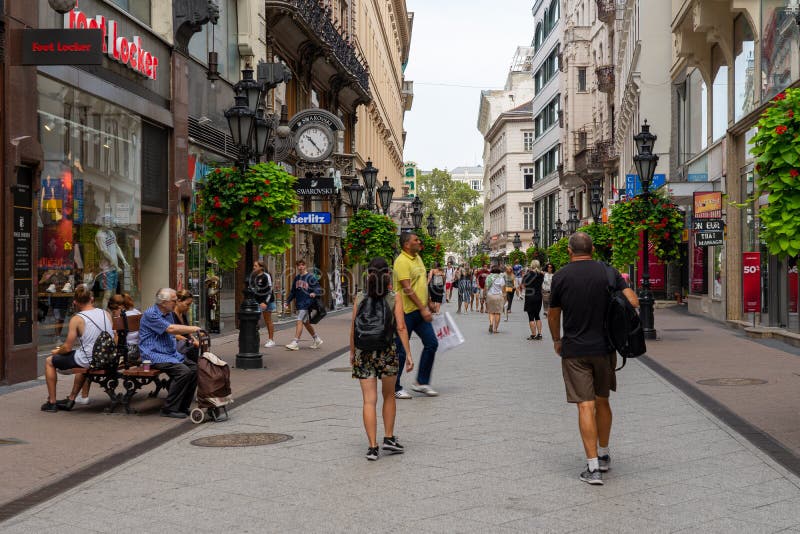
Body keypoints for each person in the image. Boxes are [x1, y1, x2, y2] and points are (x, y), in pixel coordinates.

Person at [548, 232, 639, 485]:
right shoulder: (608, 272)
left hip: (575, 349)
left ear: (569, 251)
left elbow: (553, 314)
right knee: (603, 402)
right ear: (593, 249)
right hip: (605, 348)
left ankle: (592, 467)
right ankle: (605, 454)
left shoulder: (561, 277)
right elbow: (632, 301)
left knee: (585, 406)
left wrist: (557, 339)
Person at [350, 258, 414, 461]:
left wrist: (353, 352)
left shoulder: (359, 296)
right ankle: (388, 437)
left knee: (369, 400)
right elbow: (401, 327)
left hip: (364, 352)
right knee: (389, 395)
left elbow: (353, 327)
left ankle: (372, 447)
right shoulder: (394, 297)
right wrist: (409, 354)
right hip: (386, 351)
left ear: (368, 274)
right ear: (388, 274)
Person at [41, 284, 115, 412]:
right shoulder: (105, 313)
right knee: (82, 360)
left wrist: (57, 351)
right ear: (91, 299)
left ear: (75, 302)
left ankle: (52, 402)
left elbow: (67, 348)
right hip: (108, 357)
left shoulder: (77, 319)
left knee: (49, 361)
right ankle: (71, 399)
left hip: (90, 359)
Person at [139, 288, 204, 418]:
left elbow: (174, 331)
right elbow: (171, 329)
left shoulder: (168, 313)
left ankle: (182, 406)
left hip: (169, 354)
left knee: (194, 369)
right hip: (153, 355)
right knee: (183, 372)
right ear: (163, 302)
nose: (176, 302)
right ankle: (169, 408)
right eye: (174, 300)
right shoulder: (151, 314)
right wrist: (194, 328)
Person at [393, 232, 439, 399]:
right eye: (416, 240)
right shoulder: (401, 261)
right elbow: (407, 288)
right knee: (401, 350)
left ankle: (421, 382)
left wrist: (429, 302)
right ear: (406, 244)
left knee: (432, 343)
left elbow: (421, 284)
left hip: (419, 311)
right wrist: (423, 308)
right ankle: (395, 386)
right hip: (405, 311)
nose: (419, 242)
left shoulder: (417, 258)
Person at [284, 259, 323, 351]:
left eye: (302, 265)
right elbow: (293, 292)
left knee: (299, 320)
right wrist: (287, 302)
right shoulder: (297, 278)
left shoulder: (311, 277)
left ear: (305, 266)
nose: (300, 267)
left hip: (307, 303)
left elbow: (318, 288)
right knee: (305, 323)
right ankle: (317, 339)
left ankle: (295, 342)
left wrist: (314, 293)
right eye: (298, 265)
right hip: (300, 303)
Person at [252, 260, 276, 348]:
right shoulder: (255, 276)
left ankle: (271, 340)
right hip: (258, 302)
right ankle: (255, 339)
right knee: (254, 320)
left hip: (267, 302)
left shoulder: (266, 275)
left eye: (255, 266)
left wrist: (265, 302)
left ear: (261, 267)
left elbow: (270, 290)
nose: (254, 267)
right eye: (254, 266)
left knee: (267, 320)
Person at [172, 289, 200, 363]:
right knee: (193, 350)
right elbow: (174, 335)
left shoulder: (183, 314)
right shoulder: (171, 315)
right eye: (187, 304)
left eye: (190, 305)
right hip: (178, 347)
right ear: (178, 301)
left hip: (185, 344)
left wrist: (195, 340)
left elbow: (188, 332)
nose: (188, 307)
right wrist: (191, 342)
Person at [522, 260, 545, 340]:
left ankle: (533, 334)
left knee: (531, 316)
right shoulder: (541, 275)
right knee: (537, 315)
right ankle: (539, 334)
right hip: (538, 296)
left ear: (531, 265)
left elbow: (523, 286)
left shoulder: (527, 275)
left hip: (529, 296)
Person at [485, 265, 505, 334]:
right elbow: (503, 289)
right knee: (498, 313)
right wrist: (505, 298)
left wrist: (484, 296)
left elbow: (486, 287)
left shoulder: (488, 277)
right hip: (498, 296)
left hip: (490, 295)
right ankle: (495, 329)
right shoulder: (501, 278)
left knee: (491, 312)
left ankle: (491, 323)